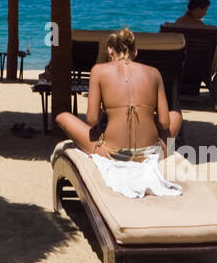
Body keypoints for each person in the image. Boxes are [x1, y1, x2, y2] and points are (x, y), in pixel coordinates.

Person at [53, 28, 182, 198]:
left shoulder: (98, 70)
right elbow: (165, 123)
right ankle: (162, 151)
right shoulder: (154, 73)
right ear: (135, 52)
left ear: (109, 50)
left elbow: (92, 120)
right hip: (152, 153)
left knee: (63, 117)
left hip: (112, 154)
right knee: (176, 116)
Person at [171, 0, 217, 111]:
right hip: (200, 67)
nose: (206, 13)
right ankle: (215, 94)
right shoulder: (201, 27)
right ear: (198, 9)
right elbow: (212, 48)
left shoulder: (177, 23)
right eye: (205, 10)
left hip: (180, 65)